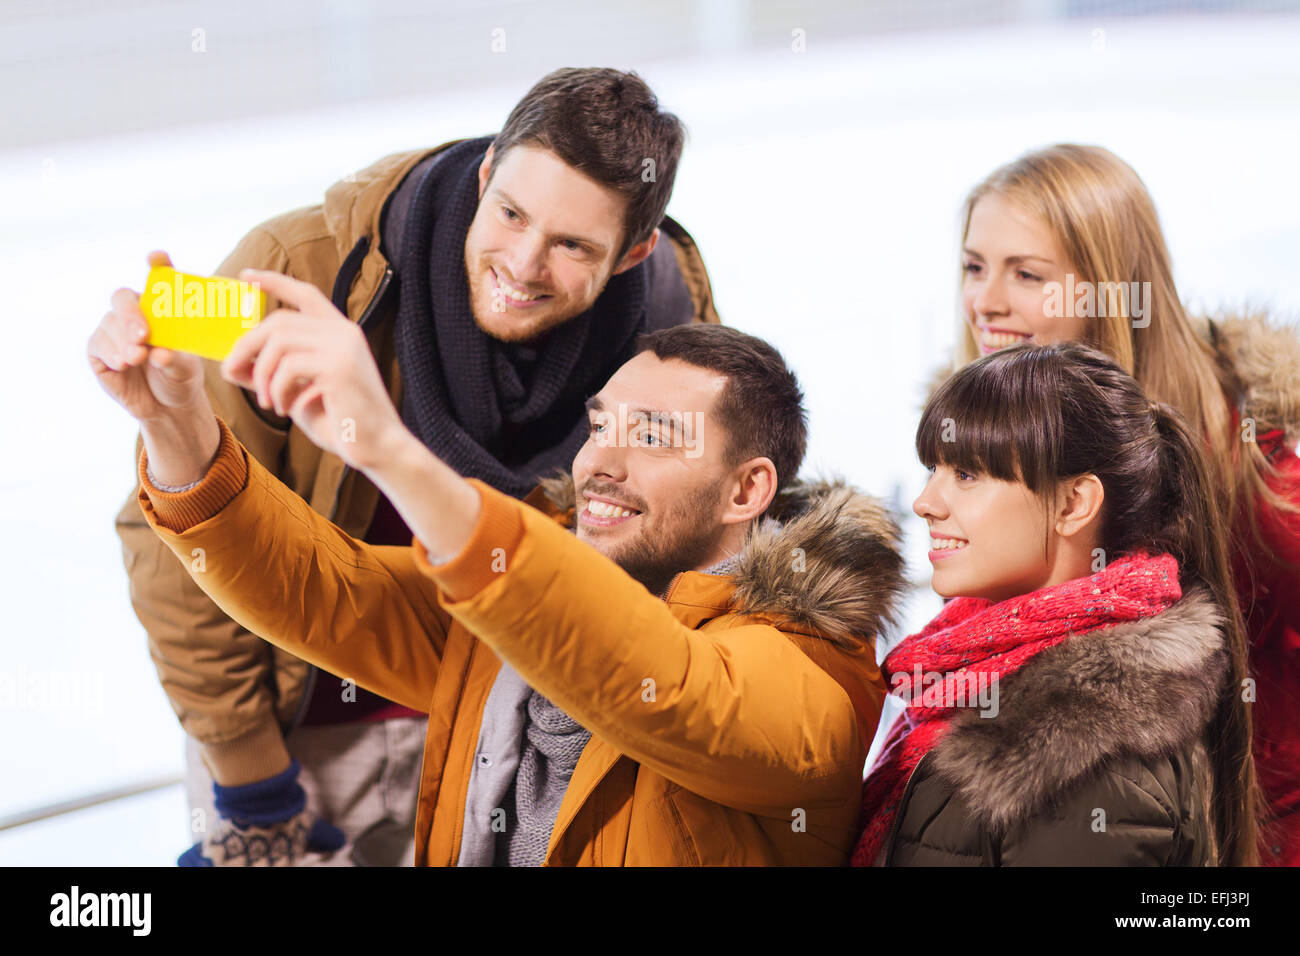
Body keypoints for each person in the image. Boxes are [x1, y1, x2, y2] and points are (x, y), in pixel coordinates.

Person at [110, 67, 721, 866]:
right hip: (297, 738)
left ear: (634, 250)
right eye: (509, 213)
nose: (524, 264)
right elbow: (172, 529)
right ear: (484, 175)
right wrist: (247, 771)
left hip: (505, 740)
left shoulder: (671, 317)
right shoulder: (292, 266)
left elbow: (684, 550)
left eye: (572, 245)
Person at [88, 295, 906, 864]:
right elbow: (325, 591)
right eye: (600, 427)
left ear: (746, 490)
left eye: (653, 436)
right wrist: (176, 422)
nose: (601, 466)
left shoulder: (812, 676)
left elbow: (659, 680)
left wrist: (391, 451)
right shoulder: (515, 608)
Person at [944, 143, 1299, 865]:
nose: (987, 300)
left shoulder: (1252, 460)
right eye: (975, 267)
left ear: (1108, 286)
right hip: (1050, 825)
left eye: (1027, 274)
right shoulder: (977, 440)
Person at [855, 343, 1260, 866]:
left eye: (966, 475)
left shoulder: (1093, 758)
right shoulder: (978, 675)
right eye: (934, 468)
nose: (925, 502)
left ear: (1074, 504)